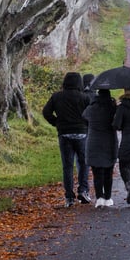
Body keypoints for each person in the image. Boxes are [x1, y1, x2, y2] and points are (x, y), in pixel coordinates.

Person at [42, 71, 91, 206]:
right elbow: (91, 114)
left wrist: (56, 122)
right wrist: (86, 124)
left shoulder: (57, 96)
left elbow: (46, 112)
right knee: (83, 163)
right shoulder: (84, 97)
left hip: (64, 134)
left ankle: (69, 197)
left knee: (67, 166)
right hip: (81, 133)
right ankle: (83, 190)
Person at [82, 88, 119, 207]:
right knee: (108, 172)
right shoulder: (113, 108)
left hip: (94, 142)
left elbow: (84, 116)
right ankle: (108, 197)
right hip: (109, 142)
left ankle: (99, 198)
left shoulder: (91, 108)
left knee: (97, 172)